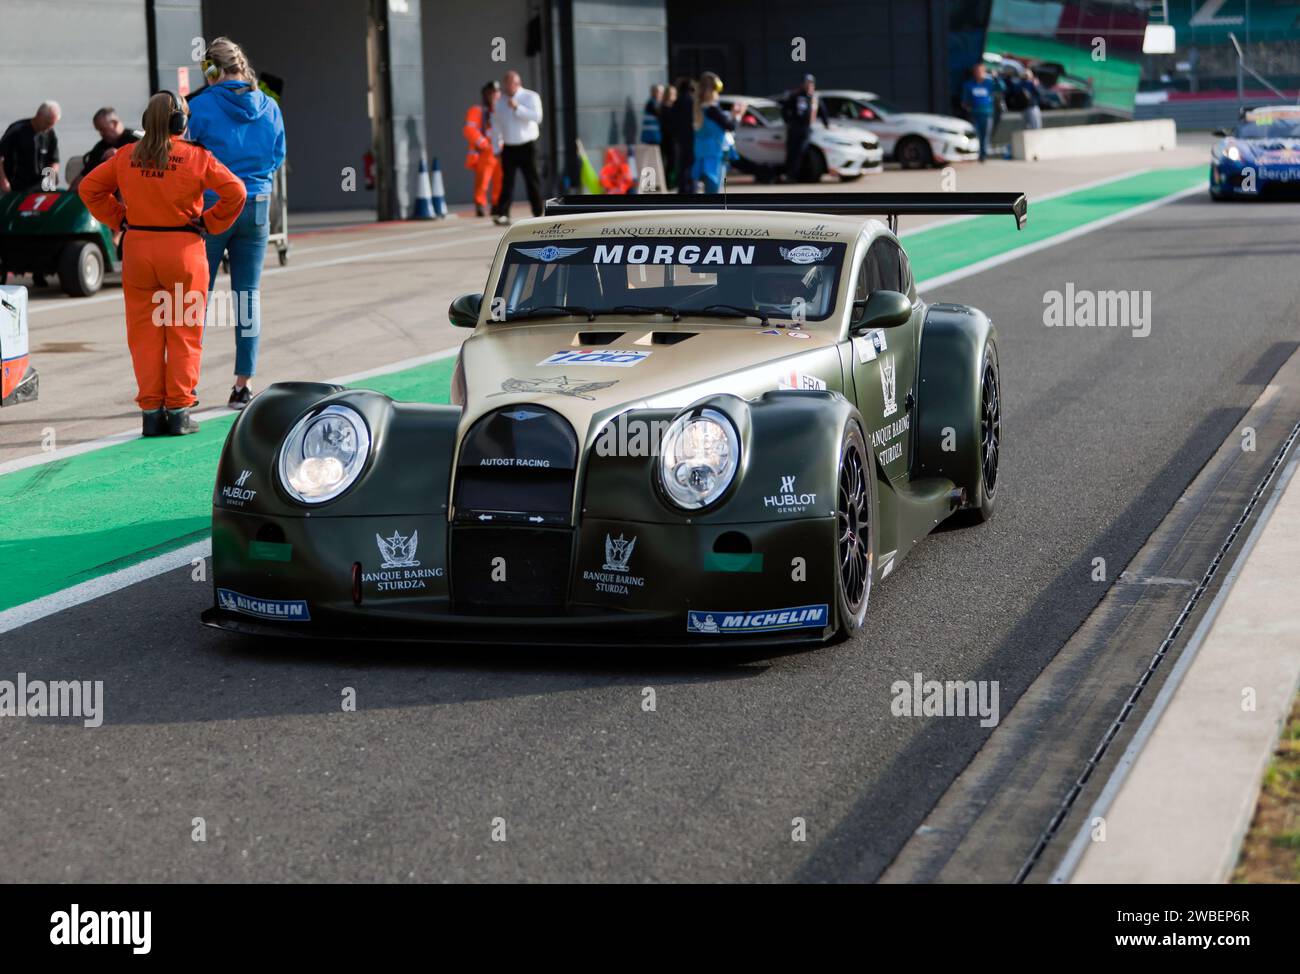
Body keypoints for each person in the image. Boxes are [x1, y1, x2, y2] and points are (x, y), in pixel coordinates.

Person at [79, 91, 245, 437]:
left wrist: (119, 219)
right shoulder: (196, 157)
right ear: (180, 123)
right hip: (183, 249)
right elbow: (236, 192)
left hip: (139, 249)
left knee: (144, 335)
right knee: (183, 333)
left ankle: (152, 413)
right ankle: (180, 411)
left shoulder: (127, 156)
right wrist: (211, 223)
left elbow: (90, 188)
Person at [187, 36, 286, 410]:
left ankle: (188, 384)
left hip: (215, 205)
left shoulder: (199, 106)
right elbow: (277, 156)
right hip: (258, 205)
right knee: (248, 296)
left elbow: (187, 158)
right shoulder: (270, 107)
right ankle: (242, 386)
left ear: (211, 70)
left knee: (196, 296)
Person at [491, 70, 544, 224]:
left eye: (511, 83)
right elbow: (496, 126)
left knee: (532, 180)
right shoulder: (500, 102)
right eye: (506, 84)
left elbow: (537, 117)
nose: (509, 87)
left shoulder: (530, 97)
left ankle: (537, 212)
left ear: (518, 83)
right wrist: (496, 148)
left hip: (527, 145)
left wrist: (517, 108)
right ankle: (503, 214)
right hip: (509, 147)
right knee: (507, 182)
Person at [691, 72, 743, 194]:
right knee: (714, 194)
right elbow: (730, 126)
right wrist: (738, 115)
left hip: (700, 154)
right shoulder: (713, 109)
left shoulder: (699, 108)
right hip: (714, 155)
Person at [0, 102, 61, 194]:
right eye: (47, 123)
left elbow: (54, 160)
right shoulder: (16, 131)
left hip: (38, 185)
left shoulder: (50, 134)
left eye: (52, 125)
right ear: (39, 115)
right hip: (14, 186)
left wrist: (50, 179)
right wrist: (3, 180)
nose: (49, 128)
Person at [463, 80, 502, 217]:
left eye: (496, 92)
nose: (494, 96)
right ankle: (480, 204)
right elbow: (469, 129)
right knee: (483, 179)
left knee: (500, 179)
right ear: (485, 95)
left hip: (501, 150)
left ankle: (497, 205)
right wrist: (483, 143)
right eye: (491, 93)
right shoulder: (477, 111)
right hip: (487, 151)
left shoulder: (503, 110)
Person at [781, 74, 829, 182]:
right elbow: (784, 109)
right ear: (802, 84)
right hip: (794, 128)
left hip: (806, 129)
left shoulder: (814, 98)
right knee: (792, 152)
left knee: (801, 152)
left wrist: (827, 125)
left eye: (811, 83)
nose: (809, 85)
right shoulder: (795, 96)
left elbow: (823, 112)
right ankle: (790, 176)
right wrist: (788, 121)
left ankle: (799, 175)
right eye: (807, 83)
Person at [961, 64, 997, 162]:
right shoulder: (969, 85)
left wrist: (995, 77)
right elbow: (964, 101)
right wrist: (969, 109)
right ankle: (974, 154)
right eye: (977, 71)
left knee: (985, 136)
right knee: (976, 135)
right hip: (975, 114)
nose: (979, 74)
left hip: (987, 114)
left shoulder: (989, 83)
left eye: (981, 71)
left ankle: (983, 156)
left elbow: (1002, 88)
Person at [668, 77, 696, 194]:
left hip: (680, 137)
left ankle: (683, 188)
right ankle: (691, 187)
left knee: (682, 163)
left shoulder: (677, 102)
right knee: (691, 163)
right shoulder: (693, 102)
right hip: (692, 136)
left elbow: (672, 121)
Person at [659, 85, 678, 189]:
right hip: (667, 138)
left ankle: (671, 182)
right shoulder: (664, 107)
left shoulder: (673, 106)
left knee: (673, 160)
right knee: (669, 160)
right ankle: (668, 182)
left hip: (672, 138)